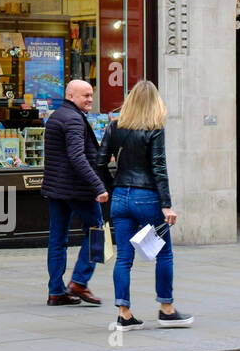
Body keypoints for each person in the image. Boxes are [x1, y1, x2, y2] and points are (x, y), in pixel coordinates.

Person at [99, 81, 193, 329]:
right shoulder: (154, 129)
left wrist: (112, 188)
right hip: (148, 198)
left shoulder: (113, 127)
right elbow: (158, 168)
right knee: (164, 253)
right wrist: (167, 205)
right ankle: (167, 309)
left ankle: (124, 313)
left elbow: (99, 163)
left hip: (120, 197)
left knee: (123, 258)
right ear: (155, 104)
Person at [42, 79, 110, 306]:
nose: (90, 99)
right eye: (85, 96)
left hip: (57, 189)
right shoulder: (73, 119)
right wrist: (98, 186)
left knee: (57, 239)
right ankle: (79, 281)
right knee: (97, 231)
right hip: (77, 189)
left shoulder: (57, 116)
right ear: (71, 96)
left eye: (91, 95)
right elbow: (76, 157)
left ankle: (56, 291)